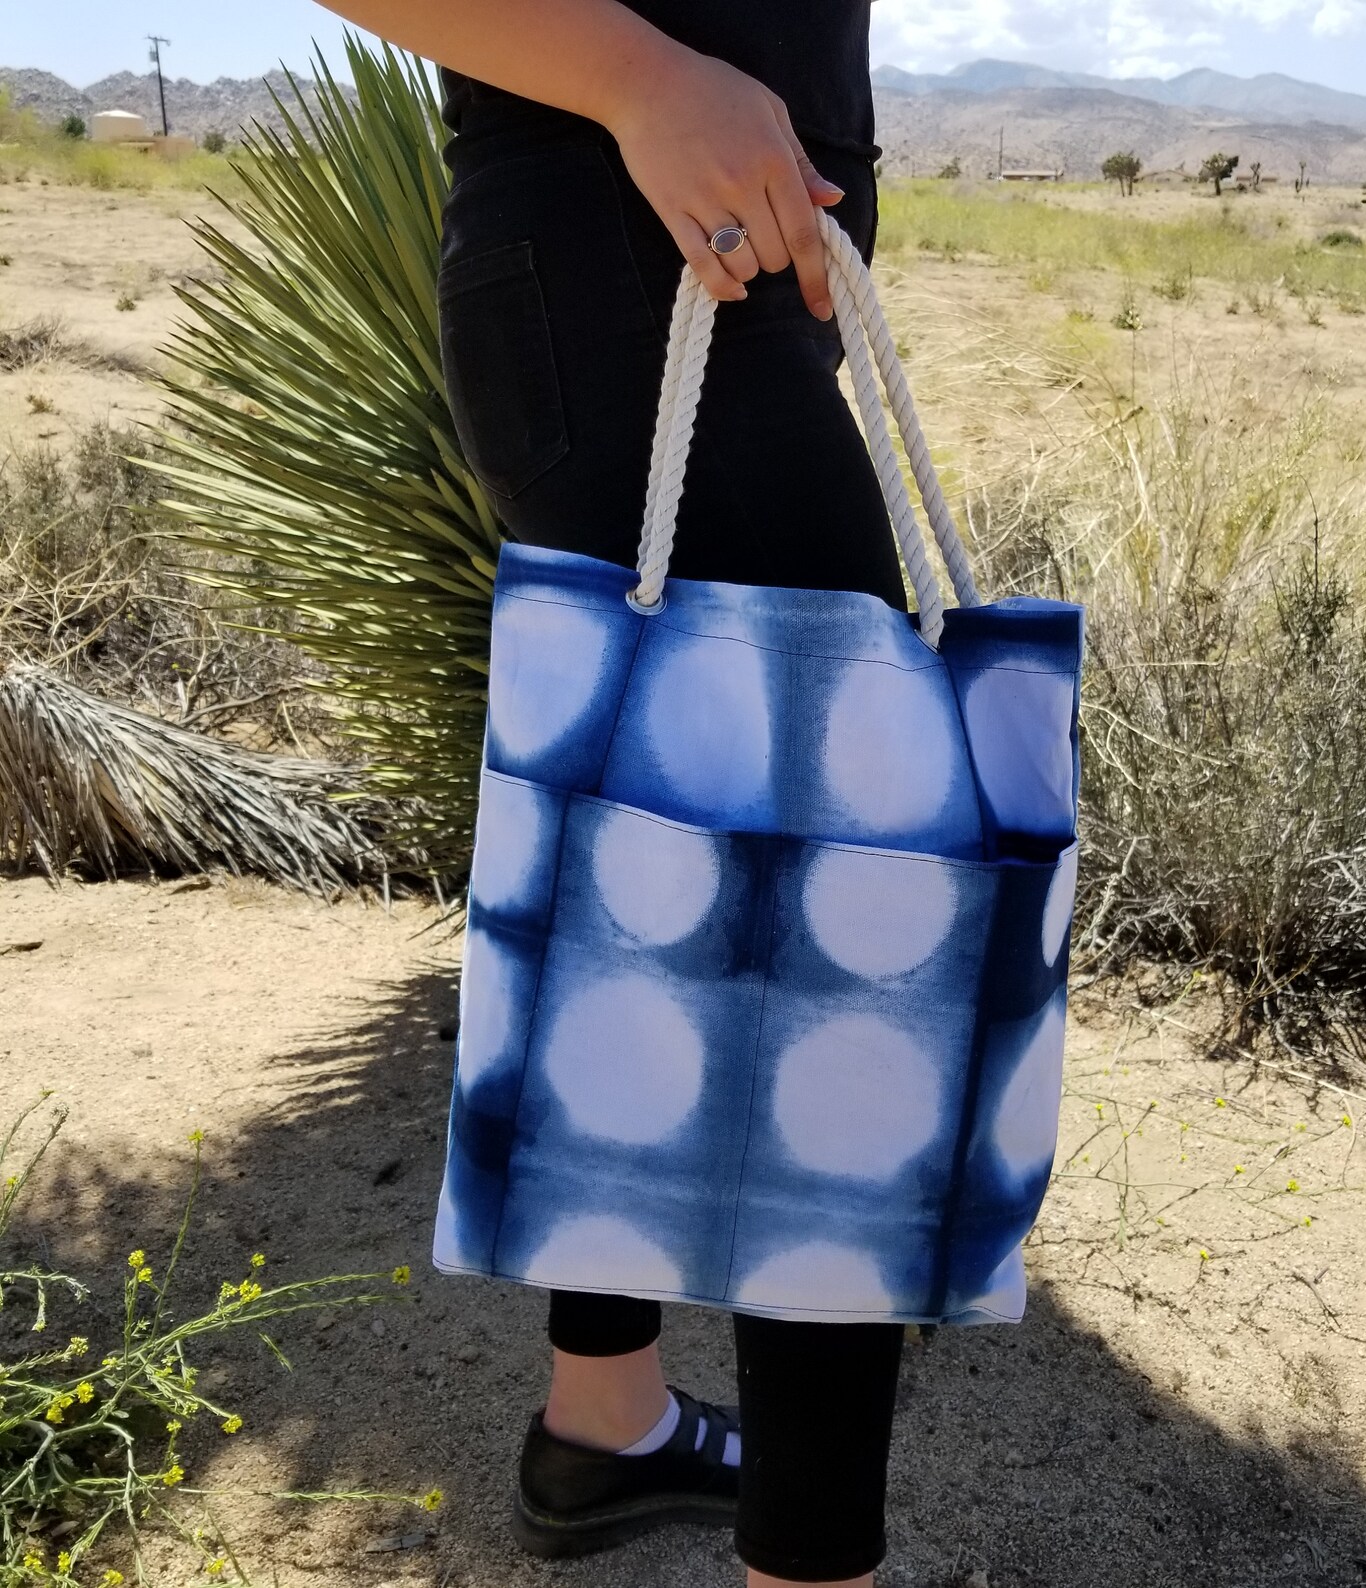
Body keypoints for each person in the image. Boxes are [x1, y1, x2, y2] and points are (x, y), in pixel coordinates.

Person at [318, 3, 911, 1585]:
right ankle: (808, 1566)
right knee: (840, 942)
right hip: (626, 254)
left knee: (651, 881)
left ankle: (606, 1420)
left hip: (655, 274)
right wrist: (649, 84)